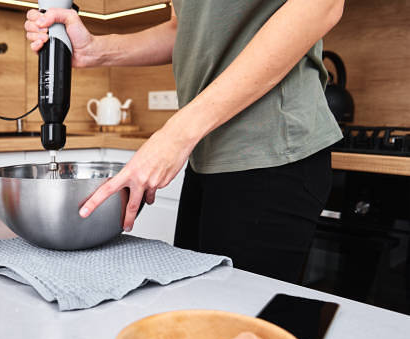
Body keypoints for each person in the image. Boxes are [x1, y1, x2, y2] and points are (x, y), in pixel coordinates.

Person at [24, 0, 345, 283]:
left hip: (271, 150)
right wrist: (97, 49)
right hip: (207, 150)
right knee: (198, 316)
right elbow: (184, 29)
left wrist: (178, 133)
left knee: (238, 336)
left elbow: (319, 6)